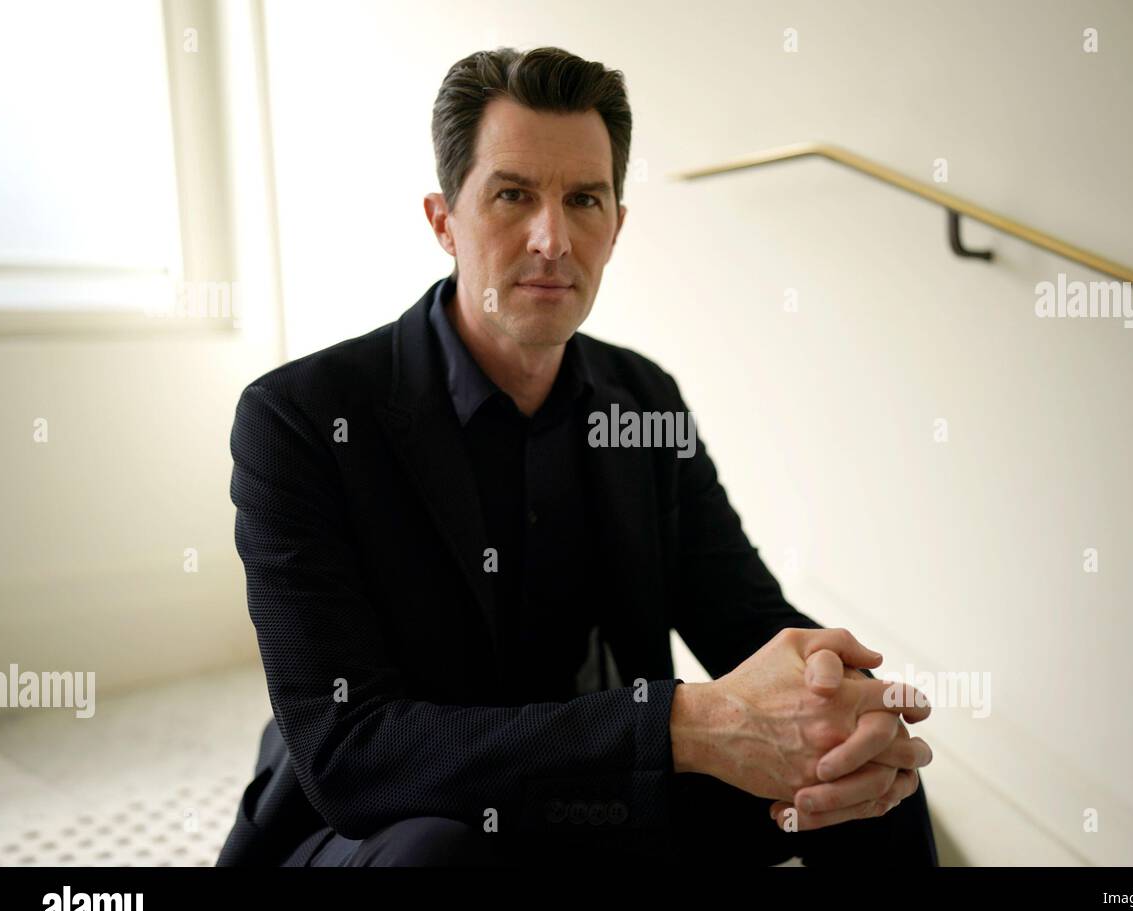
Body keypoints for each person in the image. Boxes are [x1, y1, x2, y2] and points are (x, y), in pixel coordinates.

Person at [216, 45, 937, 868]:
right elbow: (352, 754)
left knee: (863, 778)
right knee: (440, 860)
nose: (553, 239)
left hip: (600, 788)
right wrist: (677, 724)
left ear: (617, 226)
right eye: (513, 195)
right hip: (393, 817)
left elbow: (743, 619)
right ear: (443, 219)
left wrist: (845, 703)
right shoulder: (300, 420)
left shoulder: (644, 400)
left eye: (584, 199)